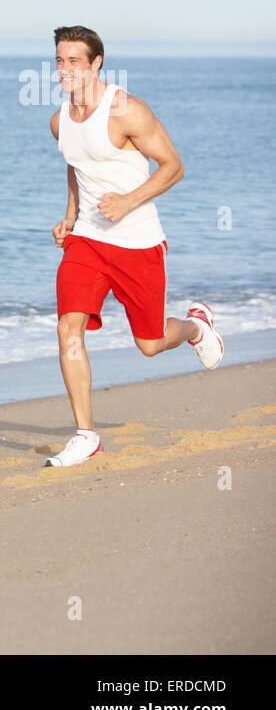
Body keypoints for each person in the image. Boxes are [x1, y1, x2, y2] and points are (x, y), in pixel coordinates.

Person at [47, 25, 223, 467]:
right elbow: (76, 167)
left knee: (149, 343)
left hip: (138, 243)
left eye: (74, 61)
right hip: (87, 239)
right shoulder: (59, 120)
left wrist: (128, 201)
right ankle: (86, 434)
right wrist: (70, 216)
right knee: (68, 328)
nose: (65, 69)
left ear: (96, 64)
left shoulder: (126, 111)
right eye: (60, 60)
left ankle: (196, 326)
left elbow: (173, 166)